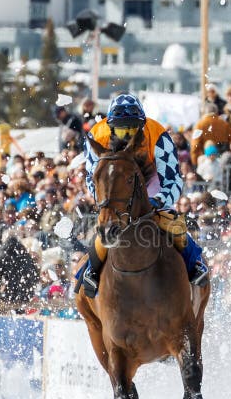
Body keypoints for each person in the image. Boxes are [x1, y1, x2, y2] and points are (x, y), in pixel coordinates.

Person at [80, 92, 209, 296]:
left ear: (142, 125)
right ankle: (90, 271)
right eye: (122, 130)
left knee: (171, 222)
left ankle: (195, 265)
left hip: (152, 185)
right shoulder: (97, 135)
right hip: (115, 192)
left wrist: (158, 200)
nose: (127, 136)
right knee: (104, 229)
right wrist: (106, 203)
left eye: (132, 129)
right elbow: (92, 178)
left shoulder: (158, 135)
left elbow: (173, 180)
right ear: (110, 127)